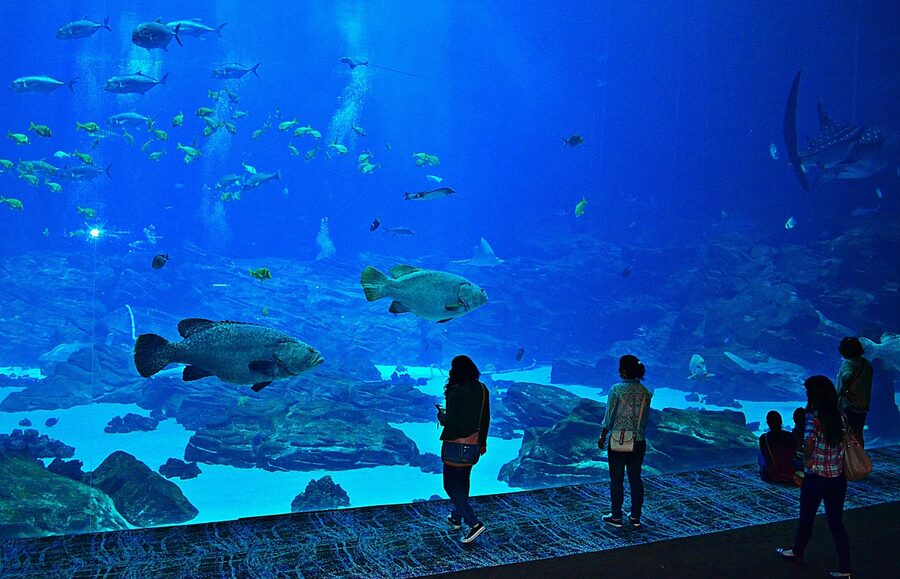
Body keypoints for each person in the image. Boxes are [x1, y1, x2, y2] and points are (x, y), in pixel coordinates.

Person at [777, 376, 851, 577]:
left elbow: (808, 440)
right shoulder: (840, 415)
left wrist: (808, 461)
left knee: (807, 518)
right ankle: (845, 569)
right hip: (837, 477)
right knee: (836, 523)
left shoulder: (814, 417)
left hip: (816, 477)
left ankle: (797, 552)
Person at [436, 355, 490, 544]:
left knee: (450, 485)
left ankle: (473, 523)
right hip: (474, 444)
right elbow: (485, 419)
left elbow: (452, 422)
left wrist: (442, 416)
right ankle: (456, 517)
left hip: (455, 444)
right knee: (463, 481)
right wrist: (482, 443)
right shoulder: (483, 389)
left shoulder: (455, 390)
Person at [597, 354, 652, 528]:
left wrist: (603, 435)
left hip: (620, 440)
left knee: (617, 478)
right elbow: (644, 419)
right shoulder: (645, 392)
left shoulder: (616, 390)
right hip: (639, 440)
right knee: (635, 478)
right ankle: (635, 516)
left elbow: (609, 416)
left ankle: (616, 517)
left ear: (624, 370)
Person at [836, 336, 873, 447]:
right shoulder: (866, 364)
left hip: (849, 405)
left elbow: (847, 375)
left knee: (847, 434)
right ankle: (860, 458)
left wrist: (845, 390)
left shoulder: (849, 364)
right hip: (862, 405)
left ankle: (850, 460)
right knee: (858, 433)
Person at [759, 410, 797, 484]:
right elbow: (793, 453)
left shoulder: (763, 438)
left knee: (760, 457)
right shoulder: (790, 436)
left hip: (770, 474)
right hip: (788, 472)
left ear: (767, 423)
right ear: (781, 421)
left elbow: (765, 454)